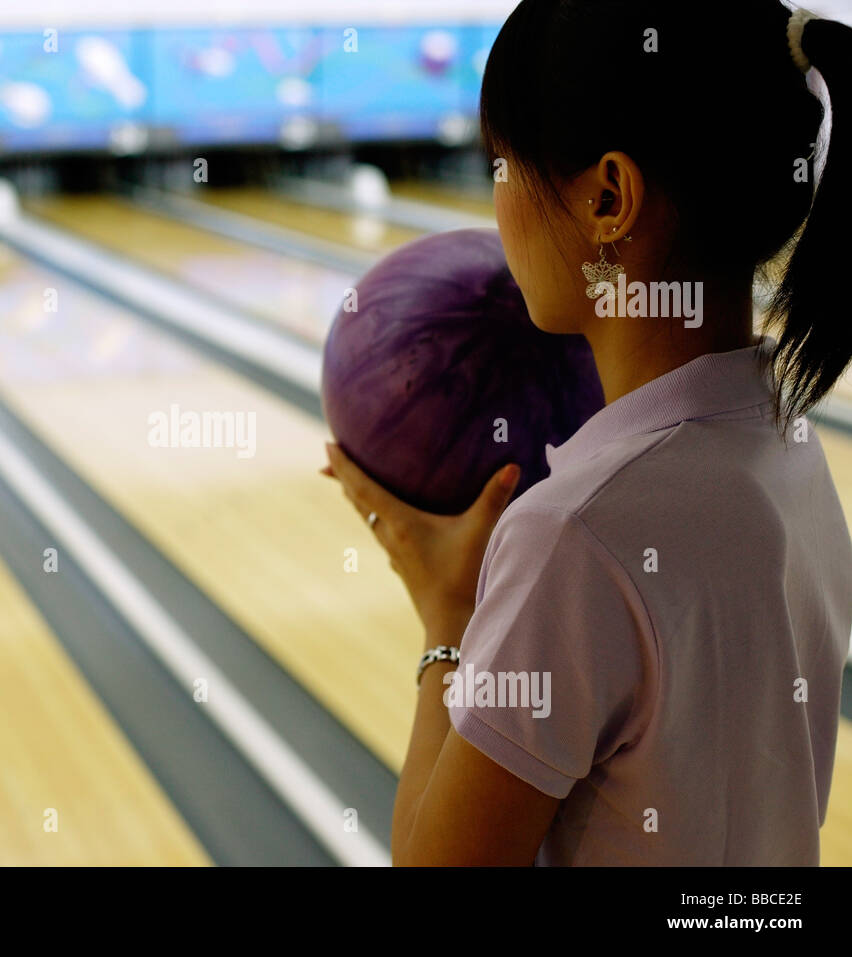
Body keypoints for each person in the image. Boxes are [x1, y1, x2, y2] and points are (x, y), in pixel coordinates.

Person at [324, 0, 852, 865]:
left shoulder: (572, 535)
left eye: (502, 167)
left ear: (609, 197)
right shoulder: (790, 448)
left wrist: (446, 623)